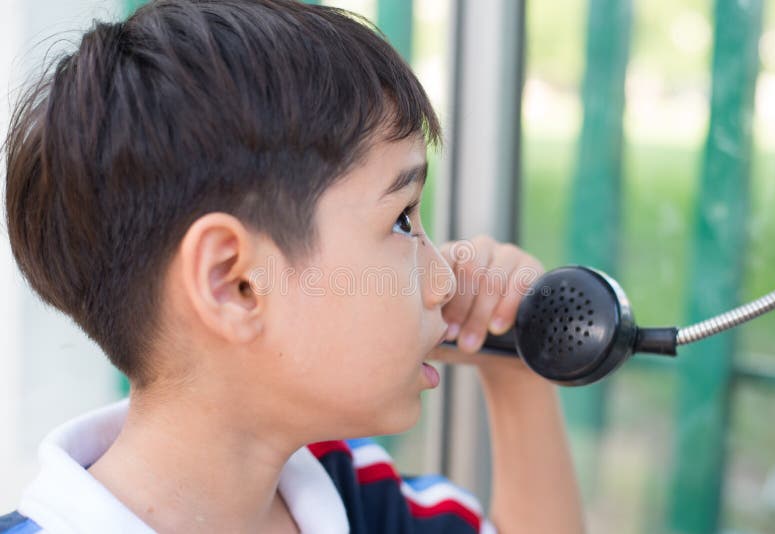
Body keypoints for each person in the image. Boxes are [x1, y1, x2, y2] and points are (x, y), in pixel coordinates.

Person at [0, 1, 583, 532]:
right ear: (236, 282)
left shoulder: (354, 492)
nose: (446, 278)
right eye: (402, 220)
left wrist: (518, 367)